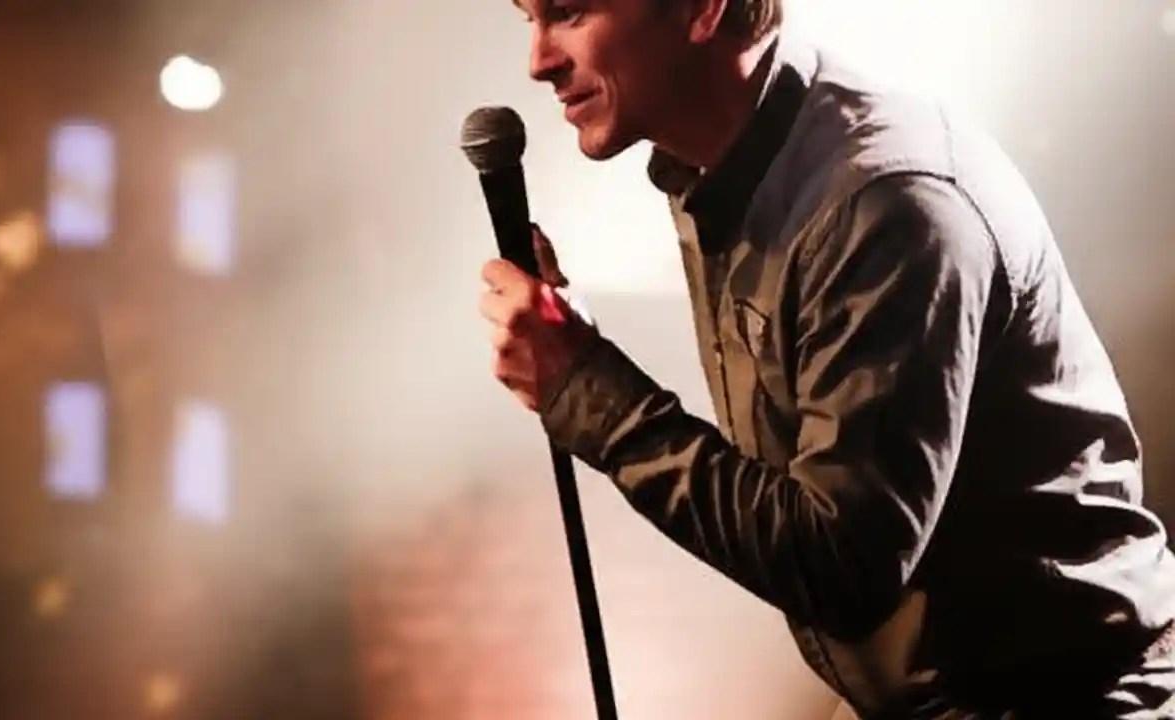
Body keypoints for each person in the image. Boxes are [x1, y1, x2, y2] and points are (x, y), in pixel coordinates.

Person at [476, 0, 1175, 717]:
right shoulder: (719, 178)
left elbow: (842, 565)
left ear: (701, 9)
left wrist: (585, 387)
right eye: (527, 18)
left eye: (566, 12)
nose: (538, 61)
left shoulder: (888, 204)